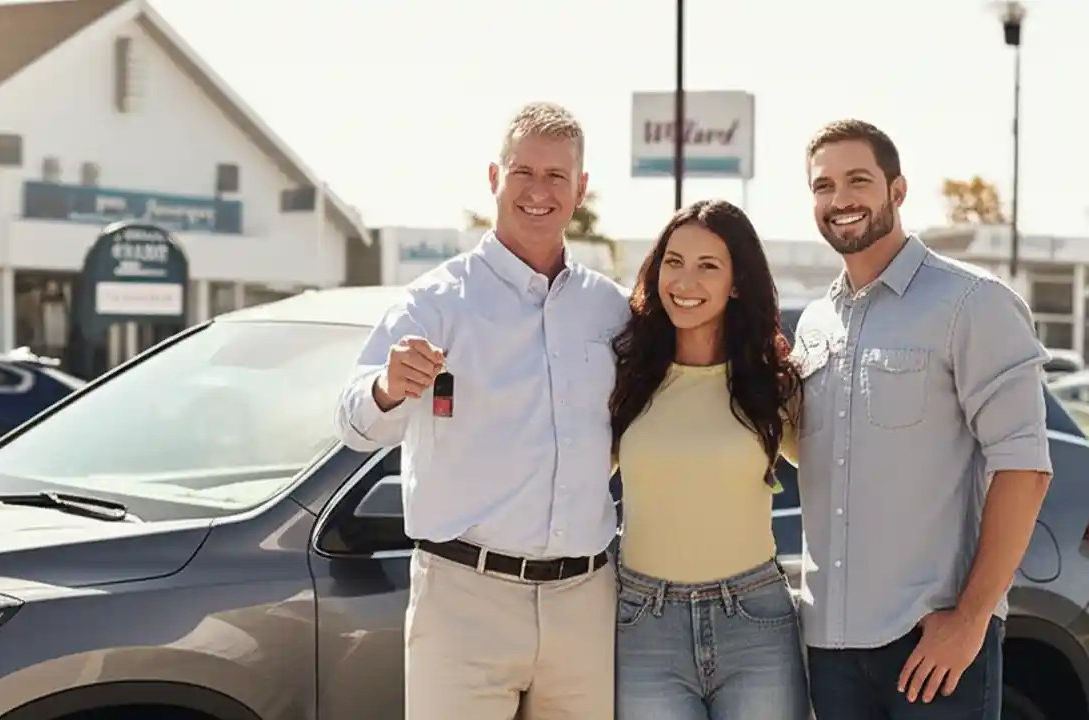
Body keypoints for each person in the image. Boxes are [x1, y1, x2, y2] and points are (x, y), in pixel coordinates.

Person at [333, 101, 629, 720]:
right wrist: (388, 386)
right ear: (495, 178)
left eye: (556, 176)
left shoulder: (612, 310)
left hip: (587, 601)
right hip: (463, 600)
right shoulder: (437, 300)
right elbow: (354, 424)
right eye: (523, 172)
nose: (538, 191)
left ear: (581, 188)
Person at [794, 118, 1053, 719]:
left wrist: (969, 620)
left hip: (932, 642)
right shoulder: (814, 324)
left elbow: (1025, 467)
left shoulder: (971, 303)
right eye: (823, 186)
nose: (841, 200)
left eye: (858, 180)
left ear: (897, 191)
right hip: (830, 648)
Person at [610, 198, 811, 719]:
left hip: (755, 621)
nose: (685, 281)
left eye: (708, 266)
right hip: (643, 624)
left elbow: (844, 471)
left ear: (737, 282)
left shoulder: (773, 386)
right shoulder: (627, 379)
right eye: (673, 262)